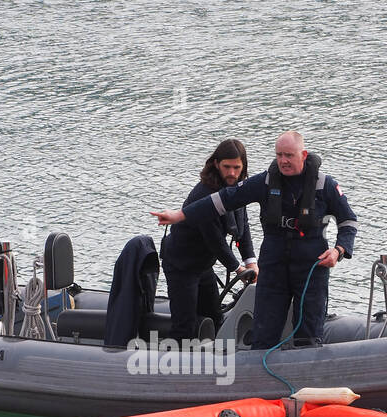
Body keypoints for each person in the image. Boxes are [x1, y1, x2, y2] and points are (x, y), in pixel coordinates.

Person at [151, 130, 357, 348]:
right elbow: (223, 200)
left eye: (288, 155)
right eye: (279, 155)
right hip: (274, 267)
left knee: (308, 335)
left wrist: (339, 250)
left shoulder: (325, 185)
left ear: (303, 155)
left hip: (311, 268)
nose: (283, 161)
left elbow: (348, 221)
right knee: (264, 334)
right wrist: (179, 215)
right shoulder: (266, 182)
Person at [160, 139, 258, 340]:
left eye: (236, 168)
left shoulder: (238, 189)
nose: (231, 173)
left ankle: (210, 358)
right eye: (227, 167)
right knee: (184, 324)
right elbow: (214, 240)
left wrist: (251, 261)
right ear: (216, 164)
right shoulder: (204, 194)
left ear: (243, 167)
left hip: (204, 266)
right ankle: (175, 362)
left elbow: (243, 226)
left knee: (214, 316)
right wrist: (238, 269)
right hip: (182, 265)